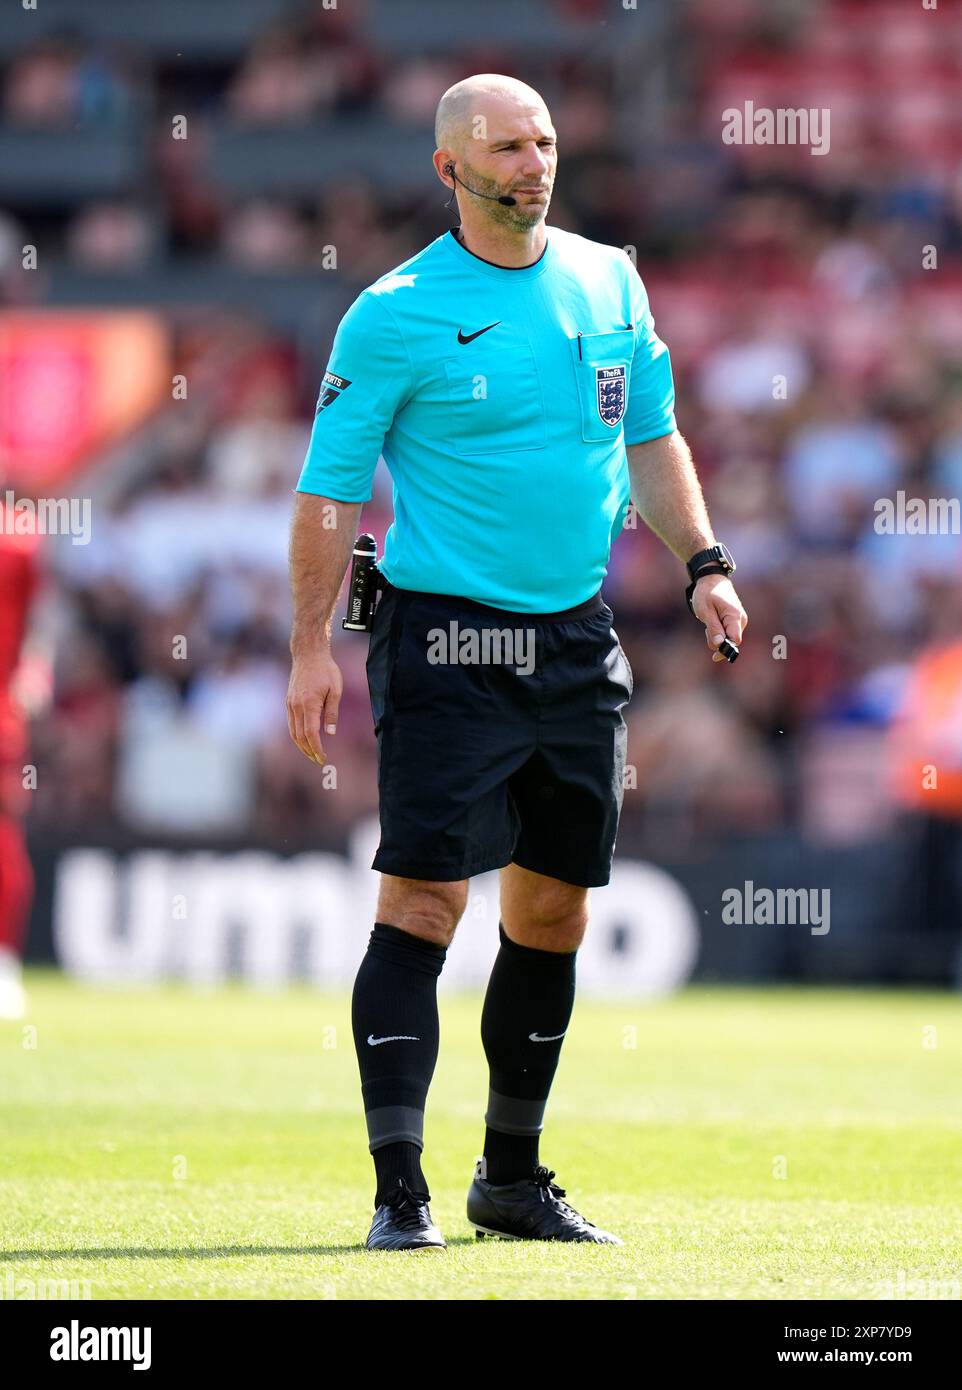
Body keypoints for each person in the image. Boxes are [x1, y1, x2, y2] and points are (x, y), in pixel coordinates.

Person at [287, 74, 747, 1249]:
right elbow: (330, 490)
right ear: (450, 168)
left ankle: (511, 1175)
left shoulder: (609, 278)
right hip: (442, 636)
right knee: (426, 903)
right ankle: (400, 1190)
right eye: (505, 145)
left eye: (543, 139)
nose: (534, 161)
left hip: (573, 635)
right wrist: (310, 645)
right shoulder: (392, 313)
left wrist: (702, 563)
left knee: (551, 912)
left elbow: (650, 439)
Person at [0, 496, 43, 1020]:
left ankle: (5, 960)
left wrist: (33, 673)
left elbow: (36, 629)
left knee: (5, 836)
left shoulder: (18, 540)